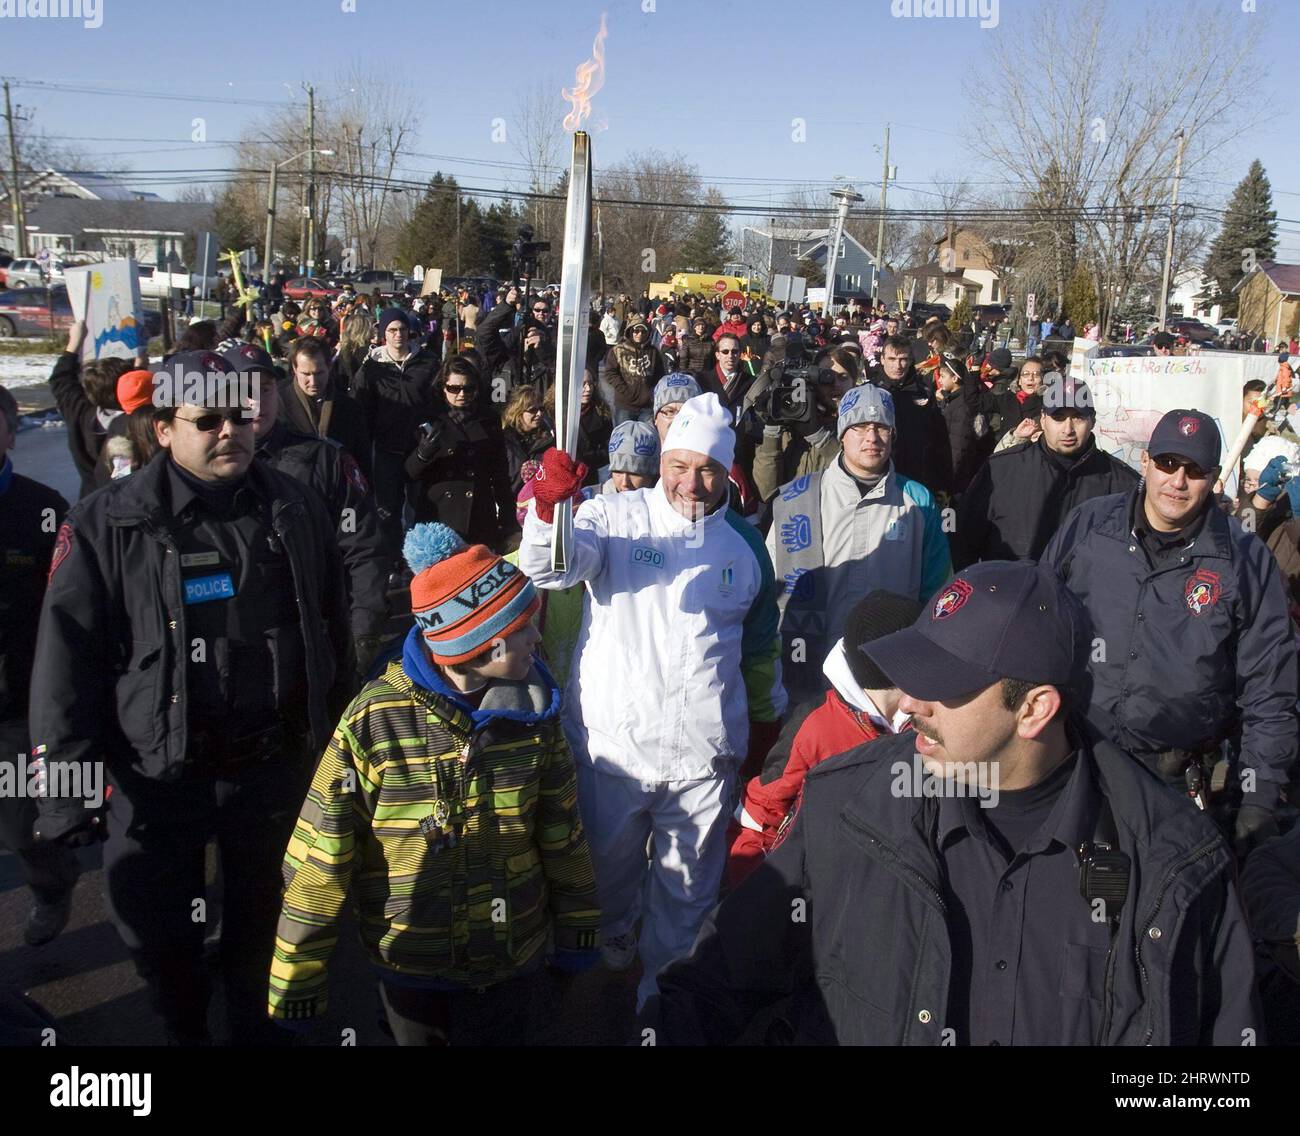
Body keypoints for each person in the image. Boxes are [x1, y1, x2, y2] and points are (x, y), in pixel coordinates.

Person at [650, 559, 1262, 1046]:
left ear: (1033, 709)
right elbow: (711, 987)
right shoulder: (847, 807)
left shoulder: (1174, 866)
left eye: (944, 684)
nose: (910, 700)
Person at [28, 354, 351, 1045]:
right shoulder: (107, 523)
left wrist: (339, 745)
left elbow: (333, 632)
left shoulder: (295, 508)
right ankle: (182, 1023)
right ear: (164, 428)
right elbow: (65, 666)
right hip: (159, 775)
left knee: (265, 931)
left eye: (240, 417)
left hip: (268, 767)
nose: (230, 431)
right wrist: (66, 794)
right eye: (207, 420)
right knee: (160, 938)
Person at [268, 523, 600, 1045]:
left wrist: (579, 926)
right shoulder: (375, 720)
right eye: (526, 627)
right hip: (412, 966)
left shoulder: (534, 715)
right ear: (485, 646)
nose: (540, 637)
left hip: (514, 957)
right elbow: (321, 853)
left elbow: (563, 832)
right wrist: (297, 975)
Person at [520, 393, 786, 1008]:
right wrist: (548, 508)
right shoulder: (613, 516)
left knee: (687, 896)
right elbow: (550, 568)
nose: (691, 483)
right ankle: (611, 942)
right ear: (662, 460)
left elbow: (758, 649)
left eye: (709, 470)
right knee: (607, 882)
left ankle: (661, 1001)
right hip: (615, 749)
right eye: (678, 466)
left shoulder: (745, 548)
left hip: (703, 756)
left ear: (729, 472)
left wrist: (764, 728)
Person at [1042, 409, 1297, 855]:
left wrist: (1258, 798)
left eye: (1194, 471)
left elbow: (1270, 688)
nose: (1177, 482)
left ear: (1214, 478)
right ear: (1145, 462)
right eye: (1167, 463)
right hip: (1073, 758)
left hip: (1173, 781)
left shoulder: (1245, 561)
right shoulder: (1089, 526)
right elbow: (1036, 624)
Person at [768, 383, 952, 699]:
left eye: (881, 427)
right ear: (841, 434)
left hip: (888, 675)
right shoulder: (800, 498)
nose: (872, 437)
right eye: (860, 427)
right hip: (812, 671)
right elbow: (772, 586)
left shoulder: (917, 500)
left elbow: (937, 591)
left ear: (893, 434)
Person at [726, 590, 920, 888]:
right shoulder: (814, 725)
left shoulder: (929, 722)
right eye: (923, 652)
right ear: (896, 666)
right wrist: (752, 893)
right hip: (818, 886)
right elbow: (760, 814)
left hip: (895, 887)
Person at [0, 385, 80, 946]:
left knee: (20, 820)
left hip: (17, 696)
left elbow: (72, 606)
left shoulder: (42, 508)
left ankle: (52, 886)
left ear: (10, 429)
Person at [954, 375, 1138, 567]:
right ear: (1043, 419)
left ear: (1092, 420)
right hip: (1009, 592)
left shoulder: (1123, 485)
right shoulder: (1001, 470)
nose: (1068, 429)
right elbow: (964, 543)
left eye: (1078, 417)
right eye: (1058, 417)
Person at [352, 307, 440, 561]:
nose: (398, 334)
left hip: (419, 450)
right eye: (392, 330)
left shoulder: (428, 362)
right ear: (383, 334)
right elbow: (362, 409)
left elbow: (437, 403)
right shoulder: (372, 368)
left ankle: (423, 559)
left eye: (402, 329)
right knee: (388, 510)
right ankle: (393, 560)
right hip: (386, 450)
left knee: (421, 506)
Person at [404, 355, 515, 550]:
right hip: (440, 517)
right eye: (454, 389)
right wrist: (423, 453)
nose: (461, 394)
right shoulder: (428, 419)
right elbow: (409, 473)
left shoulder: (488, 419)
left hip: (480, 516)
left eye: (468, 388)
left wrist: (508, 521)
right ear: (443, 387)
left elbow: (500, 475)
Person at [46, 321, 130, 498]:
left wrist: (74, 342)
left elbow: (60, 380)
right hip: (132, 505)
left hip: (90, 503)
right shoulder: (140, 422)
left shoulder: (82, 414)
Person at [868, 334, 953, 494]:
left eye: (903, 359)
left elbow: (940, 439)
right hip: (878, 477)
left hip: (915, 478)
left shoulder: (924, 394)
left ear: (910, 360)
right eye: (892, 359)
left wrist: (943, 481)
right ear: (882, 359)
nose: (898, 365)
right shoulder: (870, 392)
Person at [279, 337, 372, 479]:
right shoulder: (278, 403)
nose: (313, 381)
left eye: (319, 373)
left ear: (329, 366)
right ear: (294, 368)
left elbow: (362, 459)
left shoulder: (350, 408)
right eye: (306, 374)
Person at [930, 351, 993, 495]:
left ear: (955, 378)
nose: (939, 380)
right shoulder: (953, 400)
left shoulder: (962, 406)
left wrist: (950, 477)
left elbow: (958, 444)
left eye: (943, 376)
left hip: (954, 474)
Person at [600, 314, 666, 426]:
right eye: (636, 331)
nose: (639, 334)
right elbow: (610, 373)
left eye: (643, 331)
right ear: (631, 331)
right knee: (625, 438)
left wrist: (651, 392)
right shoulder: (618, 350)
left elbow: (660, 374)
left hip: (647, 405)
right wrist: (625, 390)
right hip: (624, 404)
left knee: (647, 437)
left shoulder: (653, 351)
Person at [502, 385, 556, 495]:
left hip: (539, 503)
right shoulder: (503, 440)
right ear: (518, 411)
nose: (539, 414)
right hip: (511, 503)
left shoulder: (550, 438)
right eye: (533, 410)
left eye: (541, 409)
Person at [600, 419, 659, 493]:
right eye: (618, 472)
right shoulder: (593, 500)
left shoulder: (668, 501)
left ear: (653, 475)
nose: (625, 483)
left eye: (635, 474)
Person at [996, 356, 1045, 443]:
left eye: (1036, 375)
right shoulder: (1007, 398)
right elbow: (975, 401)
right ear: (1019, 380)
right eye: (1026, 374)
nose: (1030, 378)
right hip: (1005, 450)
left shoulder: (1048, 404)